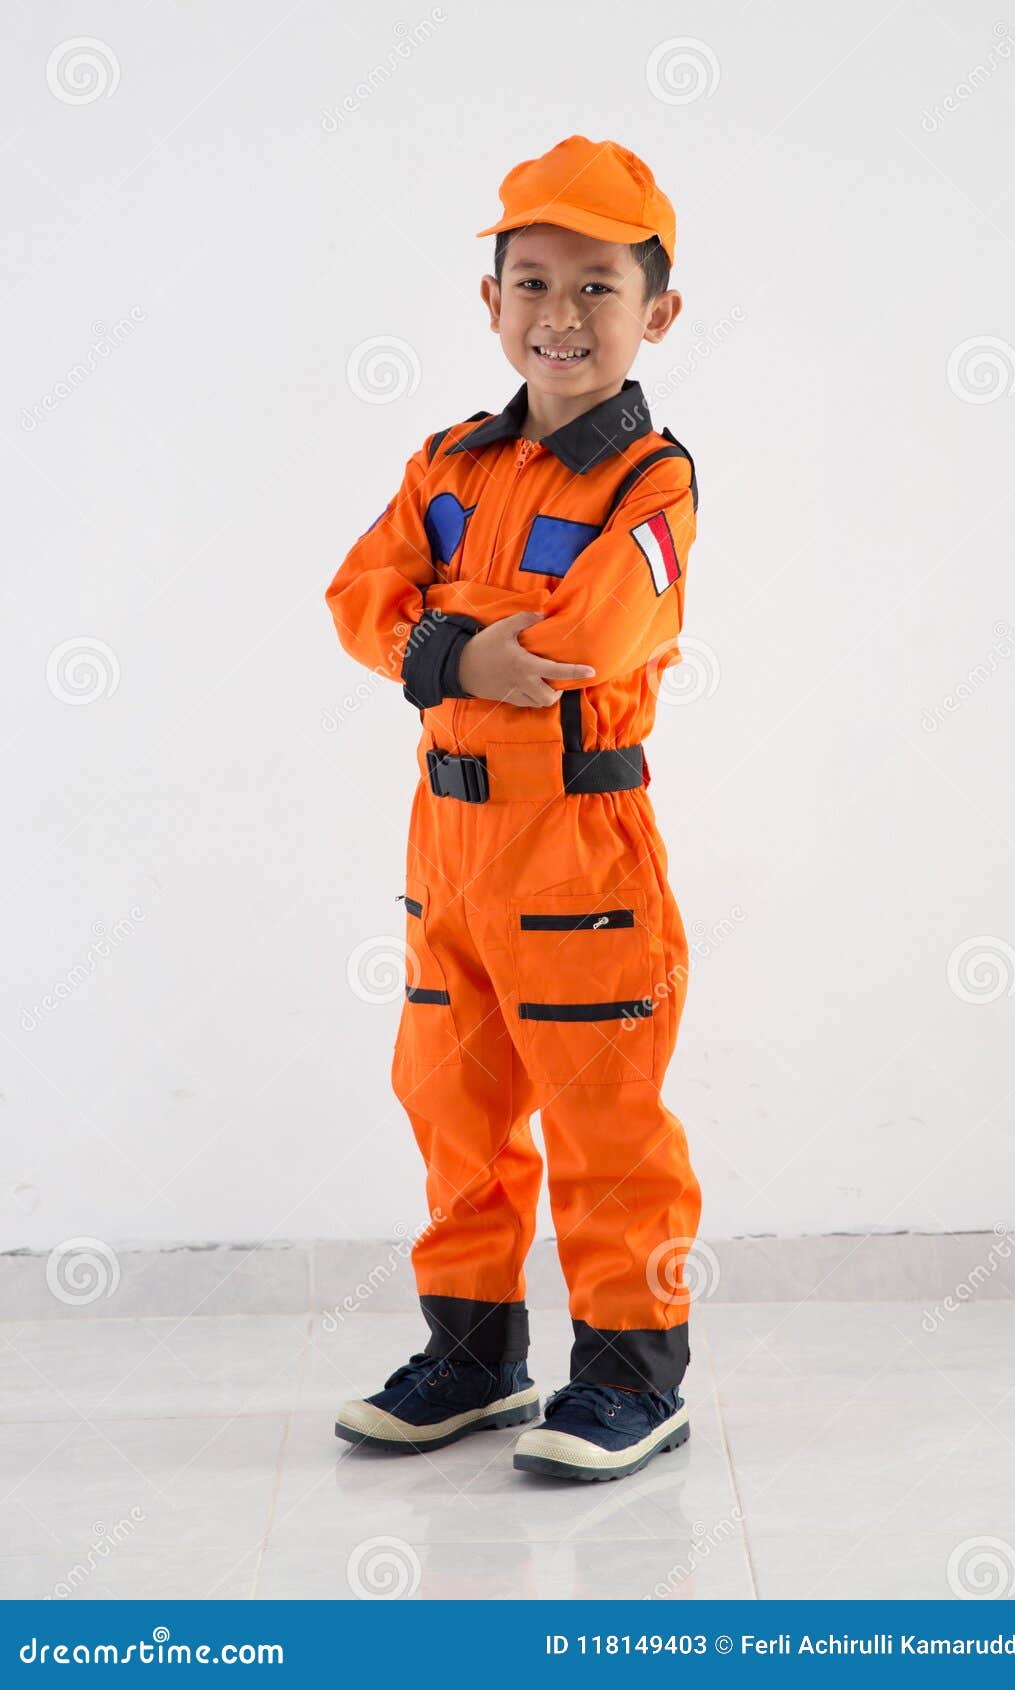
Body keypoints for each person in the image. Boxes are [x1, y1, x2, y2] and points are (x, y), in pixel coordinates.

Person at [324, 135, 702, 1483]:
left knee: (605, 1118)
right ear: (490, 304)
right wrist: (455, 650)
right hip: (451, 849)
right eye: (532, 280)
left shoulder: (650, 486)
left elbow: (577, 643)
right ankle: (475, 1355)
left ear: (656, 311)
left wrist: (448, 637)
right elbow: (356, 596)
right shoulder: (446, 463)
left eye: (598, 285)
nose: (561, 313)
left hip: (578, 850)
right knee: (453, 1103)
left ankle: (630, 1374)